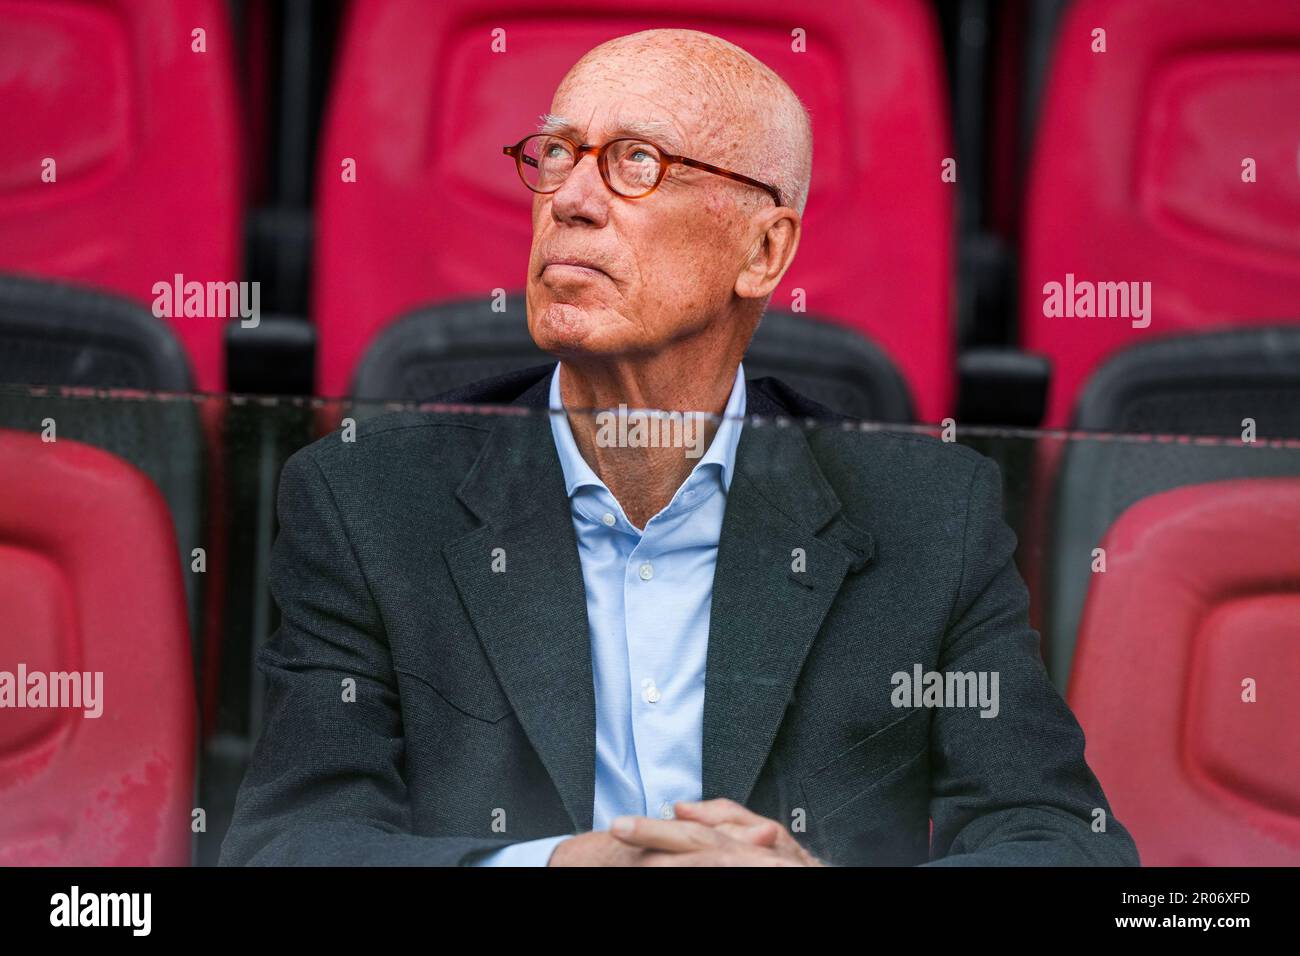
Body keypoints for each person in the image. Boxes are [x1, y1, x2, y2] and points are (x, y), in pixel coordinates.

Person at [220, 28, 1138, 867]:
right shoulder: (368, 500)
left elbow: (1064, 844)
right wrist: (547, 868)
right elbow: (291, 846)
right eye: (554, 156)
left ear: (764, 250)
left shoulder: (931, 516)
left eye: (635, 163)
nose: (569, 201)